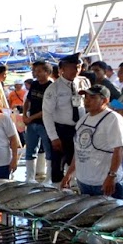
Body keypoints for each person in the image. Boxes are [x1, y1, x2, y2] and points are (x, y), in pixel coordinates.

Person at [64, 87, 123, 197]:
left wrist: (111, 176)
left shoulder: (113, 119)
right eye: (85, 97)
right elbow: (79, 150)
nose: (87, 101)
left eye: (92, 97)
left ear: (105, 100)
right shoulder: (83, 120)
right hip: (84, 182)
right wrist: (69, 173)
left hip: (104, 183)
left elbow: (119, 149)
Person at [45, 54, 89, 186]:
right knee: (58, 164)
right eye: (71, 68)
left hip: (80, 128)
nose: (75, 71)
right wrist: (53, 137)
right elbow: (47, 114)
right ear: (62, 69)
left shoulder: (83, 82)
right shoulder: (54, 88)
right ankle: (57, 190)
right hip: (61, 130)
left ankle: (76, 186)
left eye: (78, 67)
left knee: (79, 159)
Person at [24, 62, 52, 182]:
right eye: (35, 71)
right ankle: (30, 177)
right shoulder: (34, 84)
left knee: (48, 151)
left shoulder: (51, 86)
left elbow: (48, 109)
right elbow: (27, 101)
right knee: (30, 150)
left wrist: (31, 117)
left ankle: (49, 178)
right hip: (31, 123)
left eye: (39, 71)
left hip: (45, 123)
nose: (37, 73)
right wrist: (25, 114)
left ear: (47, 72)